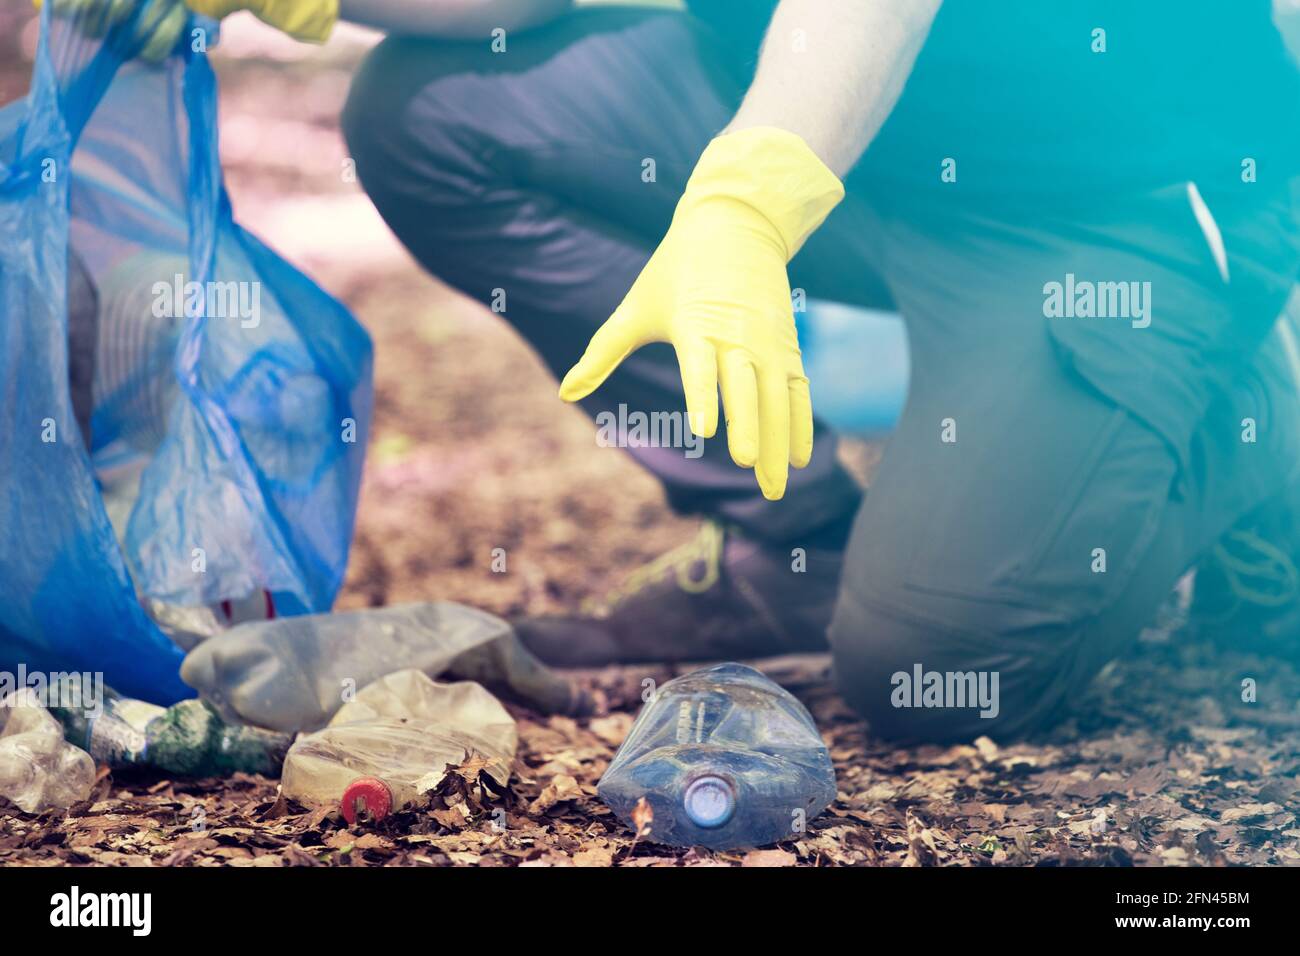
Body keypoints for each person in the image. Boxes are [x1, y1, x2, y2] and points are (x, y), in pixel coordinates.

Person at [71, 0, 1300, 742]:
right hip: (834, 133)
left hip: (1112, 210)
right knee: (433, 115)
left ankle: (1248, 408)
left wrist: (745, 205)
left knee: (938, 668)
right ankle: (789, 547)